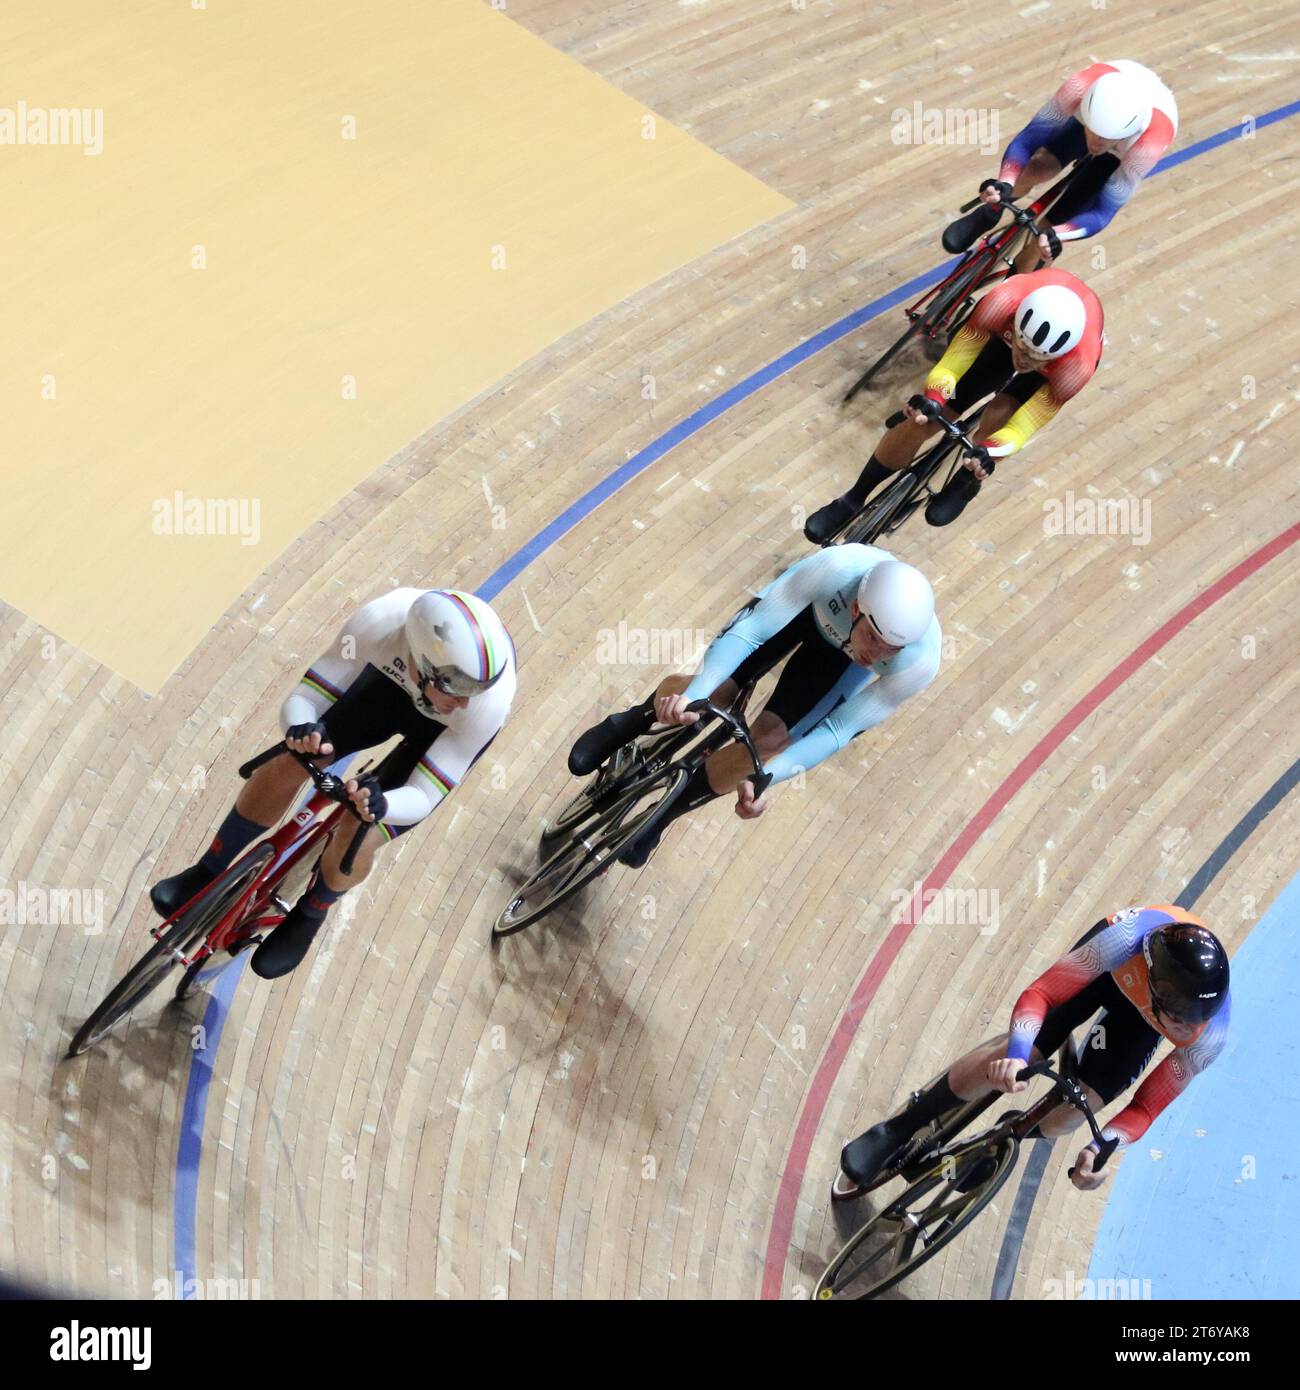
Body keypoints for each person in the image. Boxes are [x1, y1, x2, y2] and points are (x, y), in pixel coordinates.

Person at [149, 588, 515, 978]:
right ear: (423, 662)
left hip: (440, 737)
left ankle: (312, 912)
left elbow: (424, 794)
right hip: (385, 689)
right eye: (458, 691)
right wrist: (302, 729)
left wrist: (382, 806)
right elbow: (305, 698)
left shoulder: (485, 706)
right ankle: (208, 872)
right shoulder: (379, 623)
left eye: (475, 691)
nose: (465, 702)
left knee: (362, 827)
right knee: (294, 760)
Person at [567, 546, 940, 868]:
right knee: (715, 694)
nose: (875, 654)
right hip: (800, 615)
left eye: (889, 649)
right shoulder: (836, 568)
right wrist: (694, 693)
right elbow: (752, 632)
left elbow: (838, 730)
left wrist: (767, 780)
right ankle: (635, 720)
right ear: (857, 607)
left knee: (770, 748)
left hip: (834, 664)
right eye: (872, 638)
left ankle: (663, 815)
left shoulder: (919, 663)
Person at [835, 904, 1230, 1198]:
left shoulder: (1207, 1037)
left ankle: (1009, 1133)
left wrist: (1101, 1148)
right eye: (1178, 1021)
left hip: (1136, 1026)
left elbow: (1145, 1108)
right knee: (1017, 1054)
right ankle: (899, 1128)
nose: (1184, 1030)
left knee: (1074, 1114)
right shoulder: (1122, 939)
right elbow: (1041, 993)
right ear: (1159, 993)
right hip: (1108, 977)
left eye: (1190, 1024)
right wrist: (1020, 1053)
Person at [806, 267, 1102, 541]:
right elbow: (953, 363)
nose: (1024, 360)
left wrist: (989, 452)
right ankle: (854, 497)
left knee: (1002, 412)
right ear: (1016, 321)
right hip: (999, 341)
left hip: (1047, 372)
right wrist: (934, 399)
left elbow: (1025, 426)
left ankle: (968, 477)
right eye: (1023, 348)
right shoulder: (1002, 302)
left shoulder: (1077, 366)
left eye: (1036, 357)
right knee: (926, 420)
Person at [971, 59, 1178, 274]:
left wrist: (1058, 234)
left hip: (1119, 155)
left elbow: (1102, 212)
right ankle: (992, 206)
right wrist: (1006, 181)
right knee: (1037, 168)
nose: (1098, 142)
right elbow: (1028, 139)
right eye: (1095, 131)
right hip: (1089, 122)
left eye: (1107, 137)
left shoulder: (1148, 146)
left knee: (1040, 241)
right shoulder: (1078, 88)